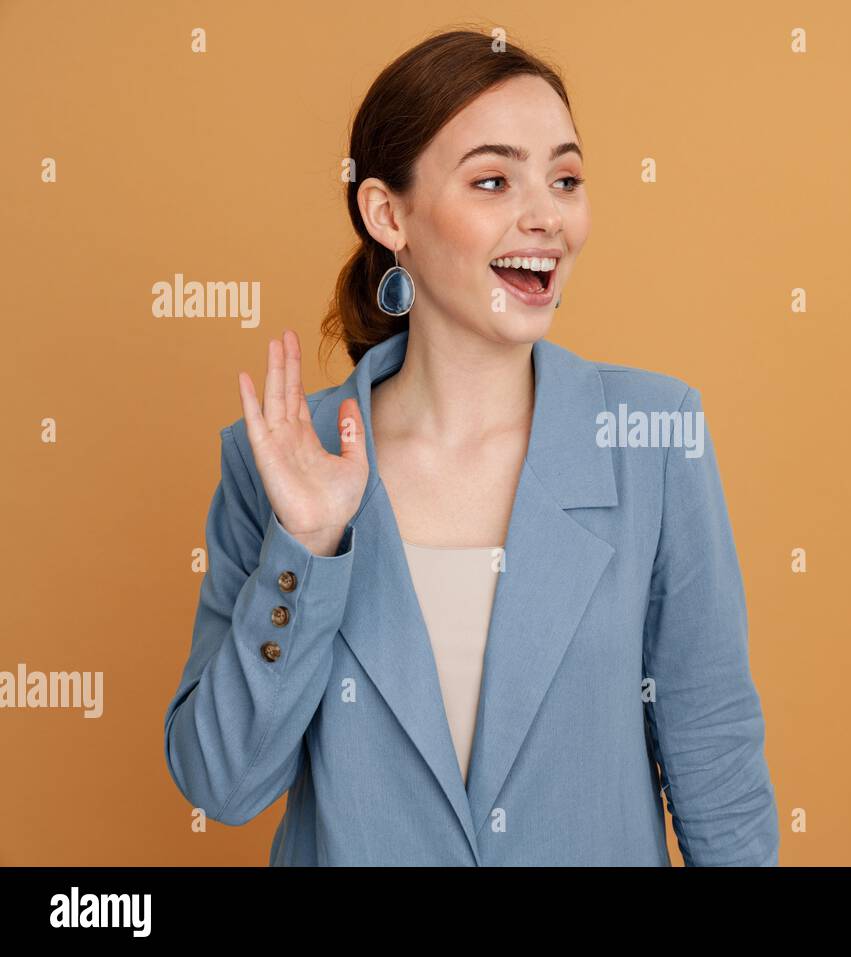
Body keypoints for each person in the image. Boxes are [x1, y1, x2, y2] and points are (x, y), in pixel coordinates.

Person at [162, 28, 779, 866]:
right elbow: (223, 785)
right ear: (389, 214)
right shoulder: (276, 456)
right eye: (493, 180)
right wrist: (304, 547)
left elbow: (718, 765)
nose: (546, 217)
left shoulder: (655, 437)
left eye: (565, 179)